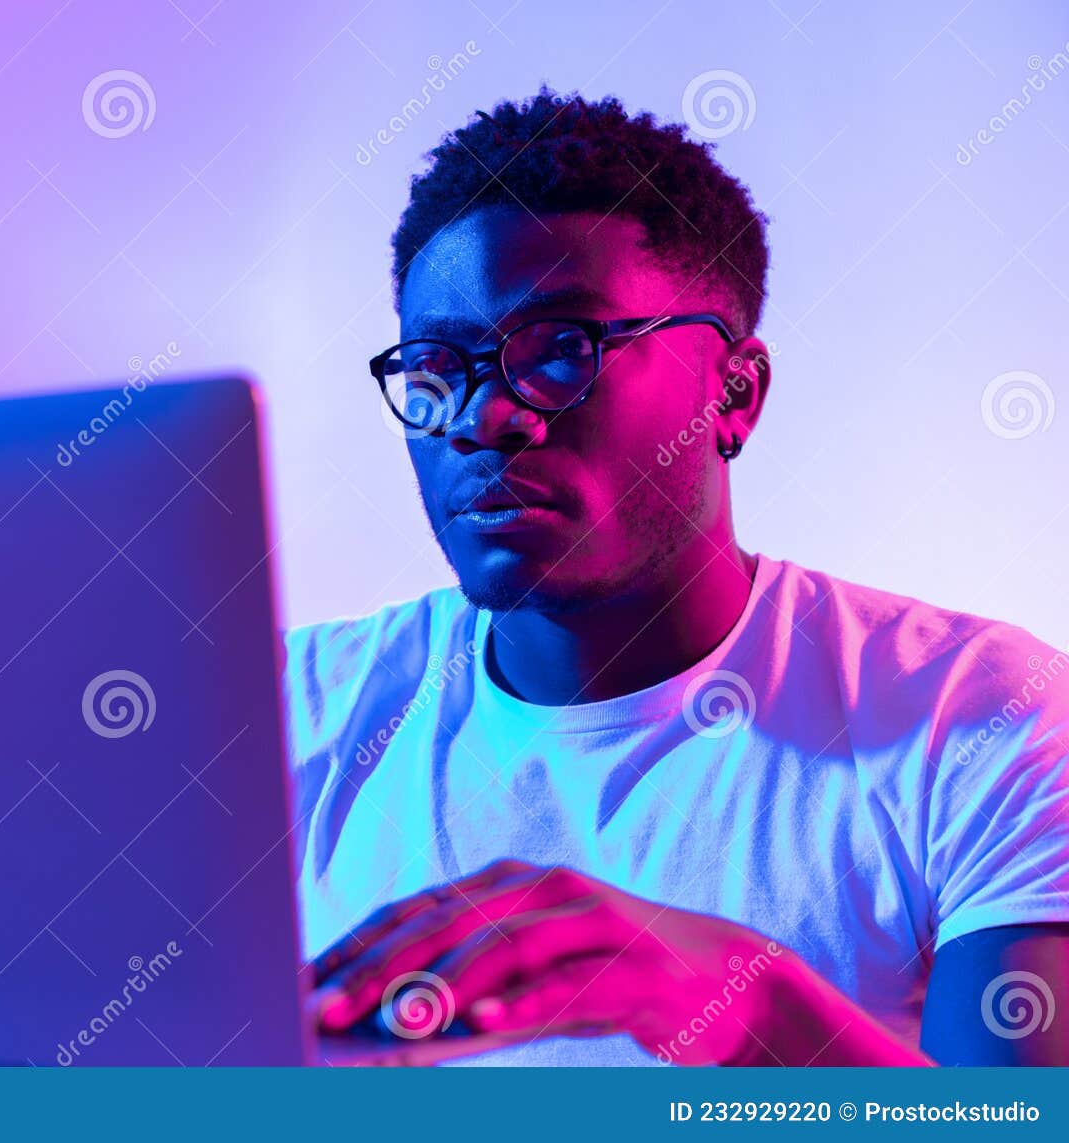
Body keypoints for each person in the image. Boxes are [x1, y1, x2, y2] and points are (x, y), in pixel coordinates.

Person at [293, 89, 1069, 1066]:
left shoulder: (974, 713)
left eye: (561, 351)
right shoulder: (285, 714)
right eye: (437, 370)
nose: (485, 418)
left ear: (732, 395)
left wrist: (744, 1004)